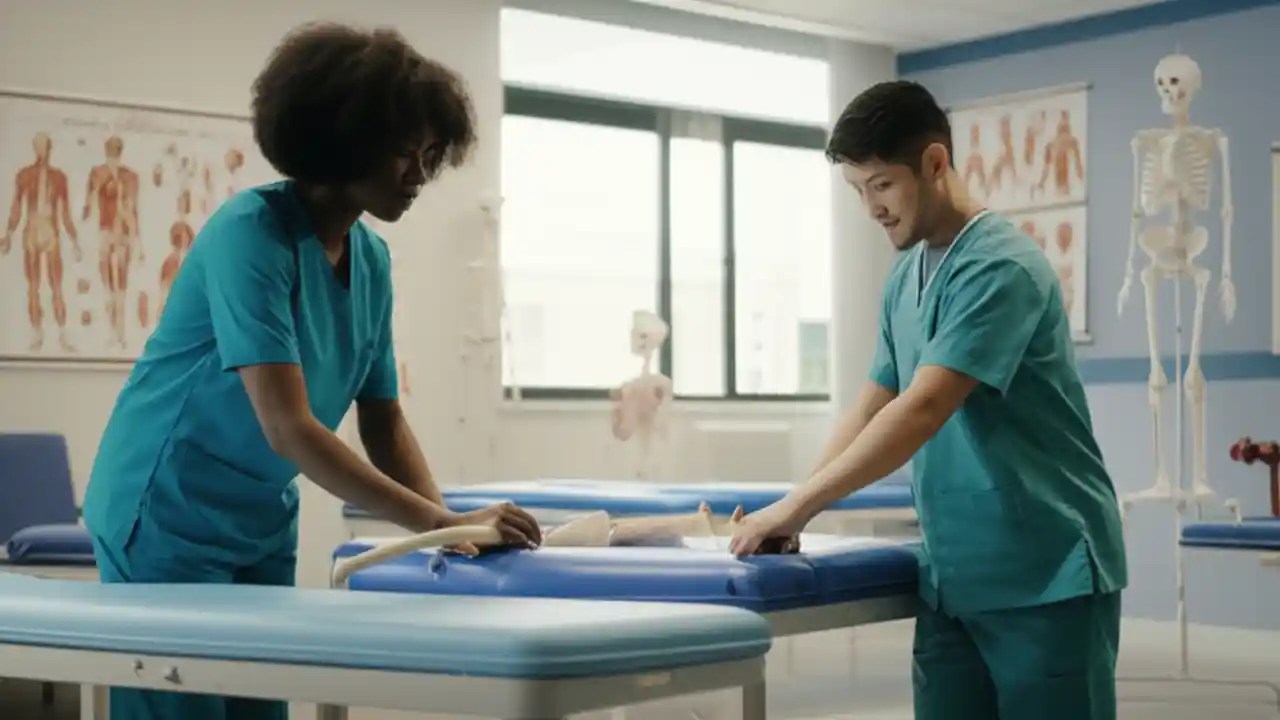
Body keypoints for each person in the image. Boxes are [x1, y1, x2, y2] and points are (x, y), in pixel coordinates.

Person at [81, 22, 541, 720]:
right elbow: (289, 428)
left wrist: (447, 534)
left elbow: (383, 417)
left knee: (260, 707)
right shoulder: (250, 235)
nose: (419, 175)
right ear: (346, 140)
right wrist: (440, 520)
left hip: (259, 517)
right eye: (404, 153)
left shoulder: (372, 261)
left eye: (429, 155)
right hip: (164, 511)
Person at [728, 80, 1127, 719]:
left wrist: (797, 507)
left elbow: (923, 407)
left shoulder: (1000, 267)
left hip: (1044, 571)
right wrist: (792, 511)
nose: (871, 208)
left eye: (881, 184)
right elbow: (872, 406)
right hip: (953, 578)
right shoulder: (905, 277)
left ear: (935, 163)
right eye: (857, 190)